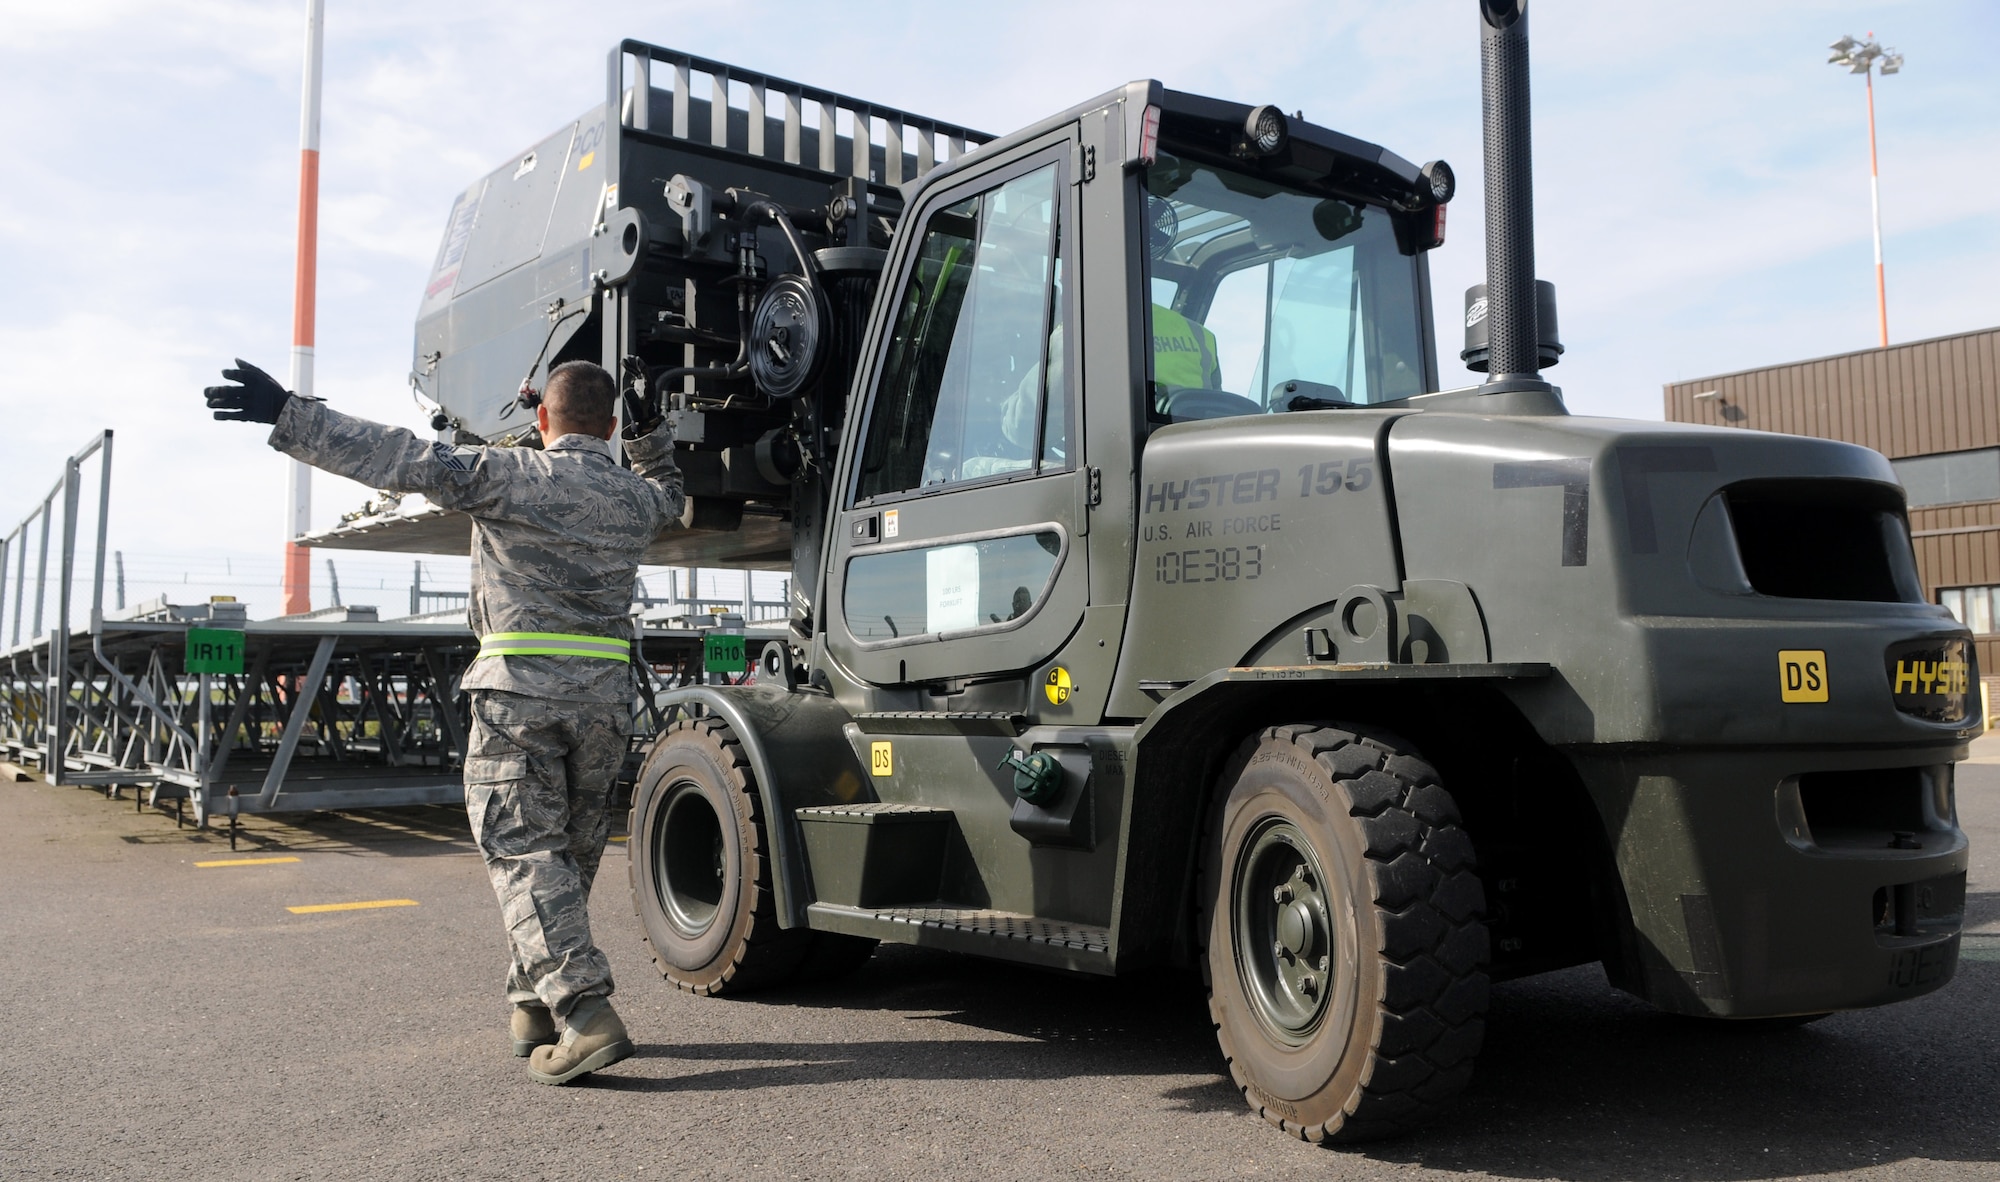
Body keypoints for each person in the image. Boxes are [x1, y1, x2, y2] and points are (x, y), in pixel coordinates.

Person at [204, 358, 684, 1085]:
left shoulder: (508, 474)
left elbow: (398, 457)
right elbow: (670, 496)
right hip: (604, 700)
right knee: (565, 860)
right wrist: (651, 441)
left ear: (543, 420)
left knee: (525, 853)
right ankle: (532, 1001)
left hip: (520, 690)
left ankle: (585, 1013)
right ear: (611, 427)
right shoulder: (632, 496)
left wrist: (288, 412)